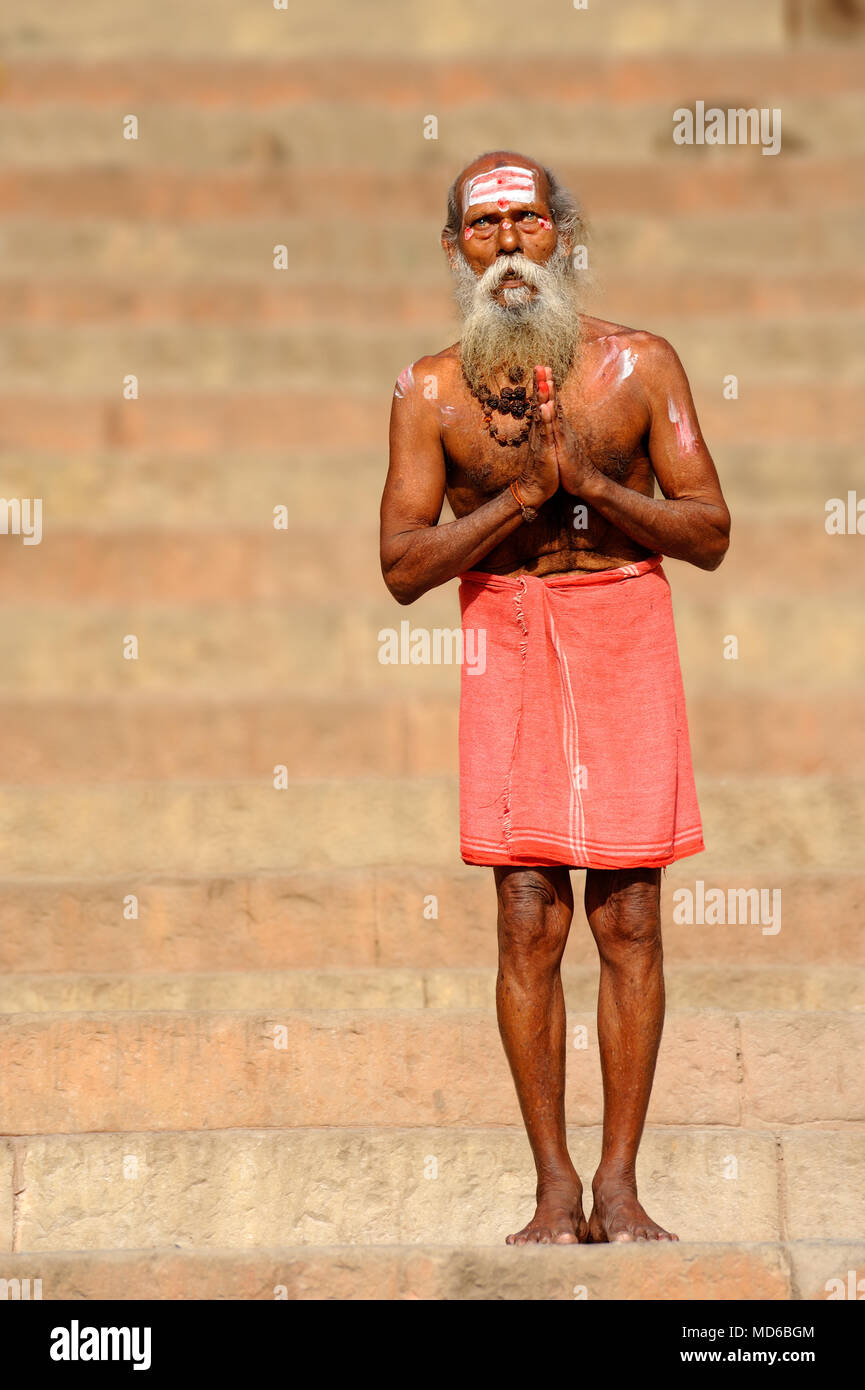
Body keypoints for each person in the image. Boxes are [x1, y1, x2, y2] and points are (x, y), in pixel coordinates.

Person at [380, 150, 730, 1244]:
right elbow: (400, 565)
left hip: (623, 621)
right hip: (507, 634)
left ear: (562, 236)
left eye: (528, 222)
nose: (508, 247)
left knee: (627, 912)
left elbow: (709, 530)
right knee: (526, 911)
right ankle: (551, 1189)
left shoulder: (642, 368)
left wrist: (591, 487)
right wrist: (522, 500)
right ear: (455, 251)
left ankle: (620, 1186)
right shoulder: (429, 390)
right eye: (483, 230)